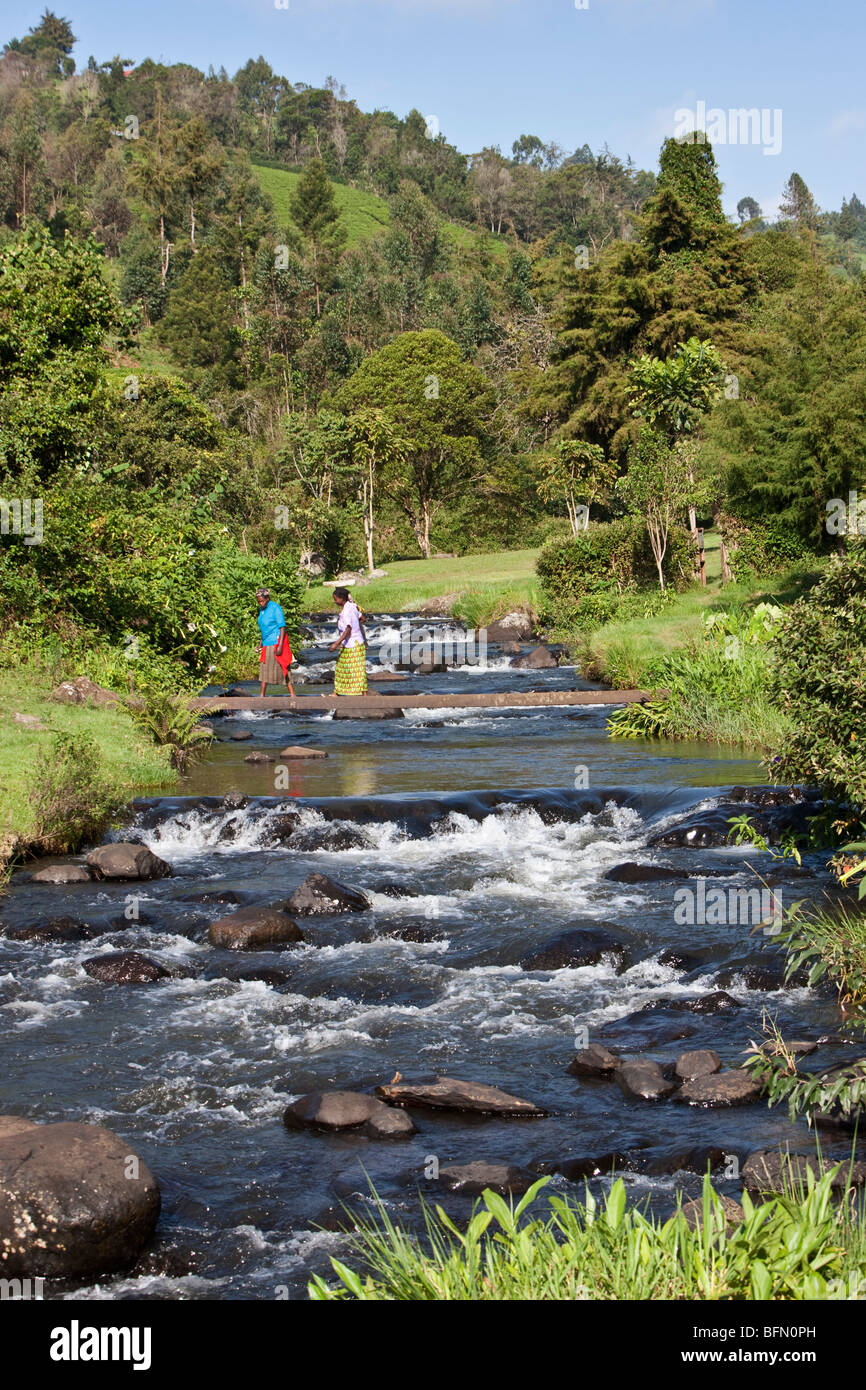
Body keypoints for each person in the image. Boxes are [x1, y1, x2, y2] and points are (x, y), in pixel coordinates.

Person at [256, 588, 295, 698]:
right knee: (264, 669)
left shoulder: (275, 608)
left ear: (267, 598)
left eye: (262, 601)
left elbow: (282, 627)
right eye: (258, 601)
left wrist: (280, 646)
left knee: (283, 667)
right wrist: (260, 644)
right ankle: (262, 695)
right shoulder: (262, 609)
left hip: (275, 642)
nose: (260, 603)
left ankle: (293, 695)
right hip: (267, 643)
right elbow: (264, 629)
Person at [328, 587, 368, 696]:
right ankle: (361, 693)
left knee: (347, 669)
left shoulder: (346, 611)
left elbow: (348, 629)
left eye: (336, 599)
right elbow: (363, 618)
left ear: (341, 599)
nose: (335, 601)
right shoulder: (353, 606)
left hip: (351, 644)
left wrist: (336, 643)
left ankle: (339, 693)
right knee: (354, 668)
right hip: (357, 642)